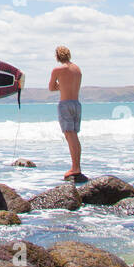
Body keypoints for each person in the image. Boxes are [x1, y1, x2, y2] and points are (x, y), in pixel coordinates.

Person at [49, 45, 85, 181]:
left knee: (70, 136)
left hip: (65, 104)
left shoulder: (58, 69)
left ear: (57, 56)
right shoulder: (77, 69)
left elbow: (51, 87)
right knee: (74, 135)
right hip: (77, 103)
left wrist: (61, 86)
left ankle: (75, 167)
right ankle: (77, 166)